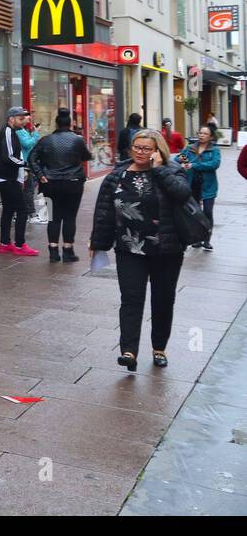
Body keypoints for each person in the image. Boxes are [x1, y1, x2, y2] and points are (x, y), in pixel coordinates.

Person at [89, 128, 192, 371]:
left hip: (166, 248)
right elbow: (104, 212)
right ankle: (129, 351)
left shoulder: (171, 171)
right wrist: (98, 243)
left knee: (163, 300)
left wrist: (158, 169)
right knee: (131, 299)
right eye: (137, 147)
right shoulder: (117, 175)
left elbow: (182, 194)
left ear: (158, 151)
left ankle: (159, 348)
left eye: (146, 148)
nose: (140, 152)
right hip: (129, 247)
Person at [28, 109, 92, 263]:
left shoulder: (45, 140)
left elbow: (31, 158)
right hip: (73, 183)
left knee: (52, 217)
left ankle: (53, 251)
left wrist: (40, 175)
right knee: (70, 217)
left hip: (50, 183)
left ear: (56, 123)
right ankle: (68, 250)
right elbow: (88, 156)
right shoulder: (77, 140)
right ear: (70, 123)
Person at [0, 106, 38, 256]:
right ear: (11, 119)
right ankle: (19, 244)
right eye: (20, 118)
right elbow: (9, 156)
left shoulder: (12, 132)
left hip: (7, 177)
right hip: (6, 178)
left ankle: (4, 243)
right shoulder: (7, 132)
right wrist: (24, 165)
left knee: (9, 210)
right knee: (22, 210)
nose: (23, 121)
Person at [176, 125, 221, 251]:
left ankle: (207, 239)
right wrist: (182, 160)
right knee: (195, 213)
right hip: (192, 184)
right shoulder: (190, 148)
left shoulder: (214, 150)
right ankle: (197, 239)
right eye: (200, 133)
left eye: (205, 134)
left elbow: (214, 164)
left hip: (208, 185)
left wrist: (194, 165)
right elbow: (178, 158)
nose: (201, 135)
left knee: (207, 212)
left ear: (211, 136)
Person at [17, 119, 45, 222]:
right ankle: (30, 215)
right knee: (28, 190)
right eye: (26, 117)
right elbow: (28, 144)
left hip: (27, 164)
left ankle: (26, 213)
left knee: (28, 189)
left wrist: (33, 133)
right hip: (24, 165)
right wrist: (36, 133)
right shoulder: (19, 132)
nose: (29, 119)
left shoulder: (24, 131)